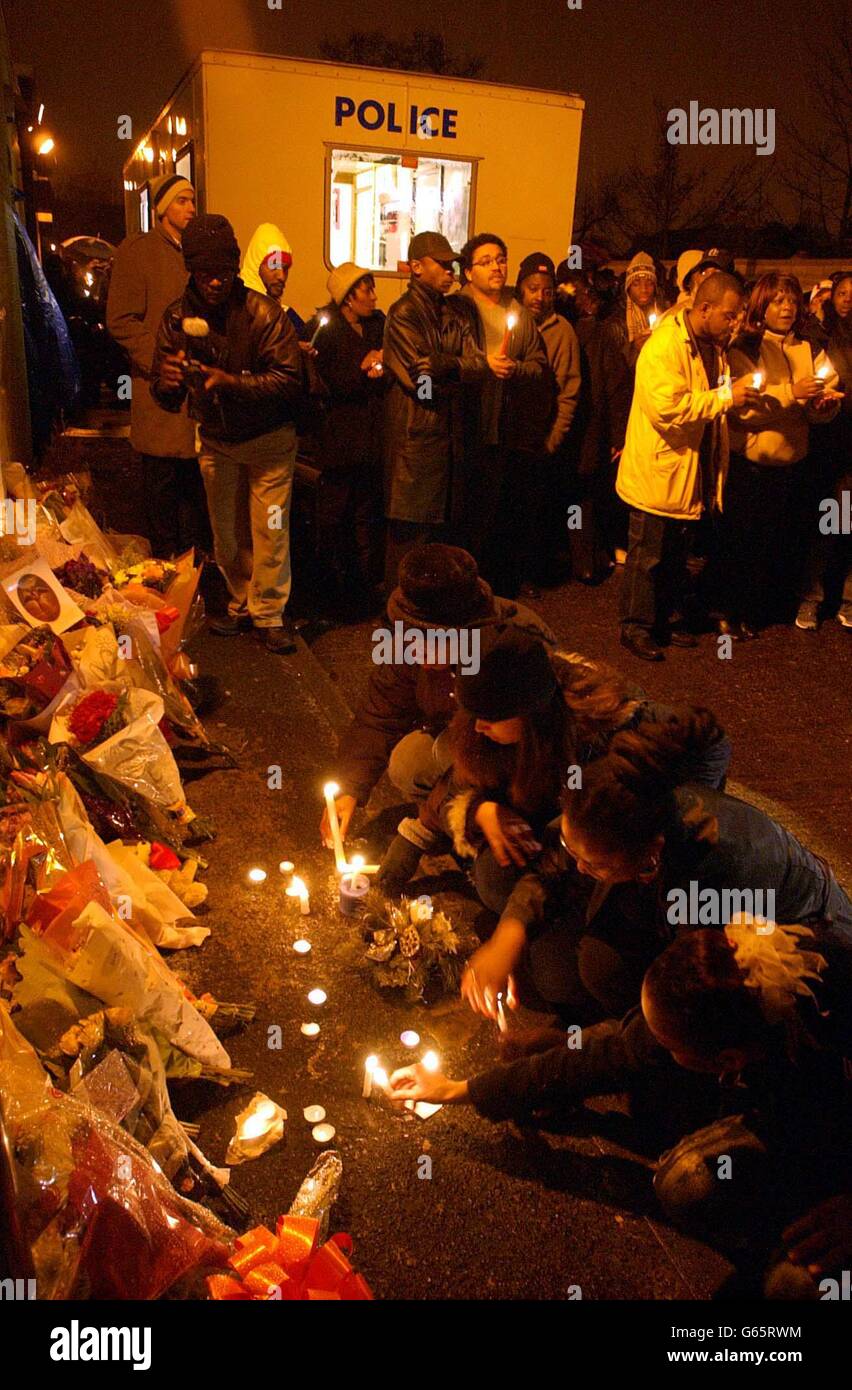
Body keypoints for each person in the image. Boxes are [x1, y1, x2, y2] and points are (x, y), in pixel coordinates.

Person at [389, 919, 852, 1299]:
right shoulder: (742, 979)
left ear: (727, 1061)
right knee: (682, 1170)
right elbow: (609, 1055)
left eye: (667, 1043)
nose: (650, 1043)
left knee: (790, 1284)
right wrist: (461, 1089)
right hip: (789, 1106)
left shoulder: (828, 1050)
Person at [458, 707, 852, 1026]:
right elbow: (552, 867)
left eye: (592, 863)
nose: (576, 868)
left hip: (789, 954)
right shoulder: (619, 809)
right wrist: (506, 940)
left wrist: (562, 1051)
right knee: (570, 957)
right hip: (666, 891)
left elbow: (693, 999)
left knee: (606, 976)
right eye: (569, 846)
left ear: (651, 852)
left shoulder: (717, 884)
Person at [378, 630, 731, 903]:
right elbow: (458, 781)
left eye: (490, 718)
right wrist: (476, 813)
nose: (478, 728)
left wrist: (667, 813)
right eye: (473, 716)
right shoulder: (490, 731)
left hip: (600, 841)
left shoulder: (607, 725)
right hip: (561, 825)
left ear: (532, 712)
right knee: (494, 875)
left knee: (558, 969)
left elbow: (711, 742)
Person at [319, 545, 554, 855]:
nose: (415, 653)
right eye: (409, 639)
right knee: (409, 764)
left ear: (464, 632)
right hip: (464, 742)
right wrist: (350, 787)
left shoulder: (514, 652)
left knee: (496, 882)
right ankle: (455, 818)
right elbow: (380, 714)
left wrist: (487, 809)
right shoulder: (413, 643)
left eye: (429, 642)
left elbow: (543, 746)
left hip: (521, 761)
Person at [150, 214, 303, 654]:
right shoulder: (177, 317)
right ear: (191, 271)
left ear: (236, 268)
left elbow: (289, 379)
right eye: (205, 273)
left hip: (270, 441)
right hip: (217, 440)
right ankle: (238, 603)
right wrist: (168, 379)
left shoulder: (264, 313)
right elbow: (165, 399)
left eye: (223, 272)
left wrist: (232, 381)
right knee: (228, 534)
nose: (215, 282)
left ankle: (270, 613)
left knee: (271, 530)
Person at [617, 272, 760, 661]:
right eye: (729, 315)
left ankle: (664, 618)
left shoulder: (709, 344)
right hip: (658, 467)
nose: (734, 323)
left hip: (687, 468)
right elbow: (669, 410)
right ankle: (635, 626)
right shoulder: (665, 346)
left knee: (674, 551)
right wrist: (726, 397)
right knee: (646, 554)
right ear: (705, 308)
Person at [722, 273, 840, 637]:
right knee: (741, 540)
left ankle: (761, 607)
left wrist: (822, 405)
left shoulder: (807, 348)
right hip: (753, 462)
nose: (787, 307)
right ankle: (727, 610)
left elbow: (820, 402)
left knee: (776, 540)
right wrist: (792, 393)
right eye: (778, 301)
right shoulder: (745, 347)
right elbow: (746, 410)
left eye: (791, 300)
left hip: (793, 460)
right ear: (762, 305)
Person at [107, 172, 211, 557]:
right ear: (163, 207)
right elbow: (121, 319)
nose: (190, 207)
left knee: (195, 493)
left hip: (195, 395)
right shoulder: (138, 251)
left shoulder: (194, 253)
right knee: (161, 489)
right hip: (159, 394)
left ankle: (195, 570)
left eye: (192, 201)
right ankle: (165, 568)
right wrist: (159, 357)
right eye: (182, 200)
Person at [382, 232, 489, 591]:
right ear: (416, 267)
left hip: (451, 445)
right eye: (441, 264)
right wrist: (457, 371)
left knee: (442, 539)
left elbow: (479, 367)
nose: (450, 270)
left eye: (452, 263)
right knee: (410, 540)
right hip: (416, 446)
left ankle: (430, 613)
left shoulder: (457, 310)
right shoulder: (403, 314)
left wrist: (447, 364)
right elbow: (422, 385)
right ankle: (399, 616)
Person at [458, 232, 548, 596]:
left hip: (504, 429)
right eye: (486, 260)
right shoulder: (456, 310)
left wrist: (516, 369)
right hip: (465, 427)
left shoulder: (518, 313)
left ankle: (494, 585)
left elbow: (539, 365)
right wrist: (482, 365)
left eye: (501, 259)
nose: (497, 267)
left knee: (499, 511)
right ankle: (461, 585)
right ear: (468, 272)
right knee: (465, 513)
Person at [303, 263, 386, 616]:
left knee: (366, 517)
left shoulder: (377, 325)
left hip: (371, 440)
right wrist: (361, 366)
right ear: (347, 297)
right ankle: (329, 590)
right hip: (338, 441)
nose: (373, 296)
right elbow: (328, 380)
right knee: (334, 517)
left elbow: (387, 366)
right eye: (365, 289)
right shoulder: (327, 329)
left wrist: (378, 363)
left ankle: (363, 588)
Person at [514, 252, 581, 592]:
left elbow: (569, 391)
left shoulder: (562, 332)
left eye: (547, 290)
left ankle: (527, 574)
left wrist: (553, 438)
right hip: (503, 436)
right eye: (533, 288)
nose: (539, 297)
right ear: (521, 289)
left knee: (533, 512)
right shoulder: (508, 320)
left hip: (539, 439)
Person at [797, 270, 852, 631]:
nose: (848, 298)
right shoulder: (819, 334)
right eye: (843, 292)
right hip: (828, 441)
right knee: (823, 520)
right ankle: (811, 597)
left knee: (847, 520)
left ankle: (846, 596)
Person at [605, 251, 668, 374]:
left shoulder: (665, 316)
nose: (644, 289)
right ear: (628, 288)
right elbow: (611, 370)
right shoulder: (616, 323)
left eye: (649, 283)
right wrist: (634, 349)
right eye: (636, 284)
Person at [240, 224, 306, 337]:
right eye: (274, 266)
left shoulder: (289, 317)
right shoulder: (238, 313)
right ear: (256, 265)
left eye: (285, 269)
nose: (281, 276)